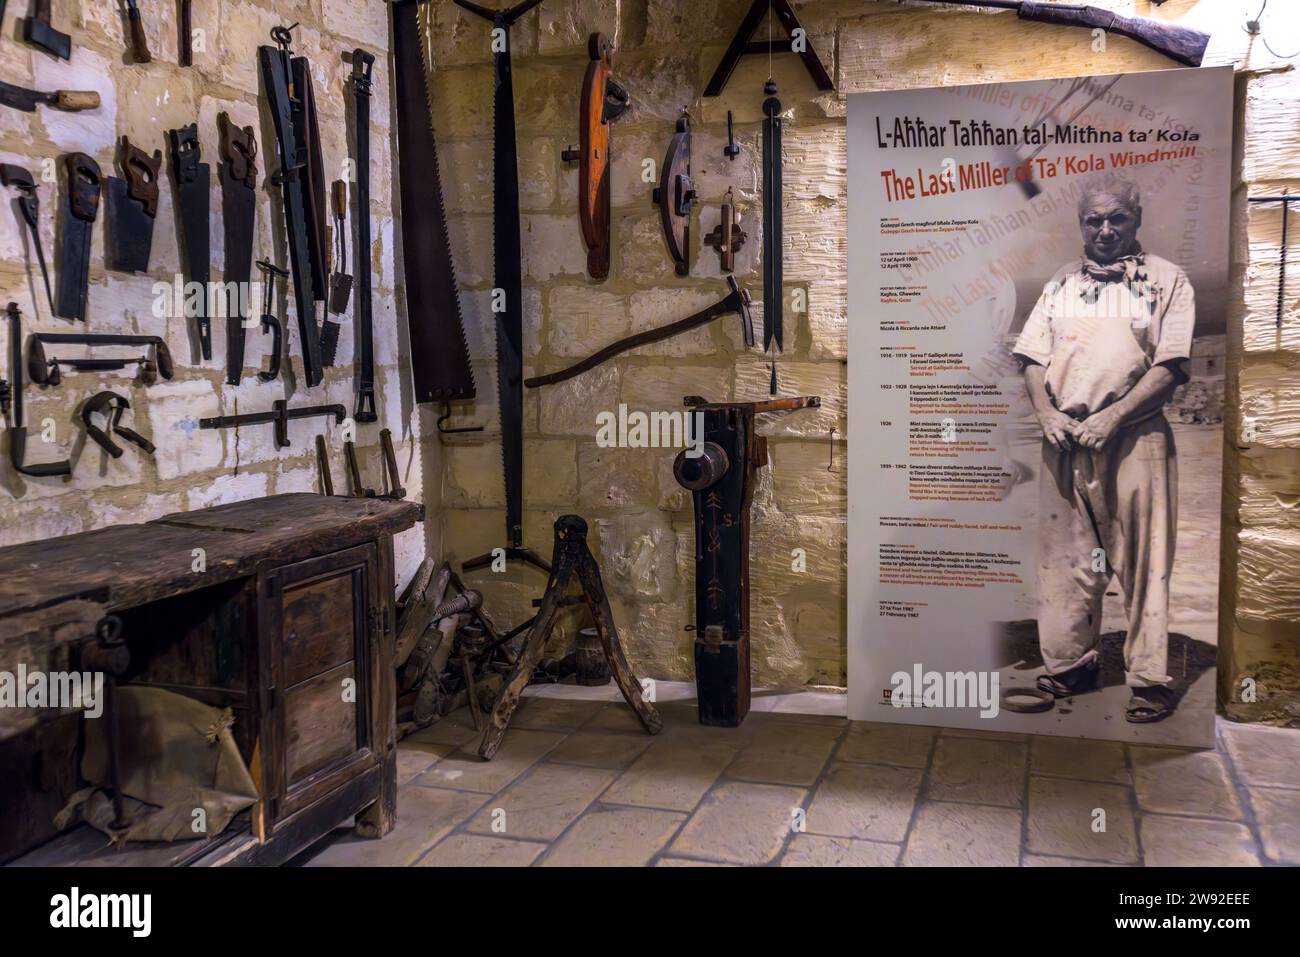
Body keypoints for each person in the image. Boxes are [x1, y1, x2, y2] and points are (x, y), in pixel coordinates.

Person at [1012, 181, 1195, 723]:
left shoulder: (1167, 279)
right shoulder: (1061, 282)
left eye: (1117, 219)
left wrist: (1112, 418)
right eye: (1094, 220)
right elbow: (1032, 359)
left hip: (1134, 438)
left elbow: (1171, 365)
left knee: (1142, 563)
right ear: (1081, 223)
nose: (1106, 230)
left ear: (1136, 219)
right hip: (1065, 440)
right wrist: (1046, 415)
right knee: (1066, 564)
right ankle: (1070, 666)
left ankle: (1149, 680)